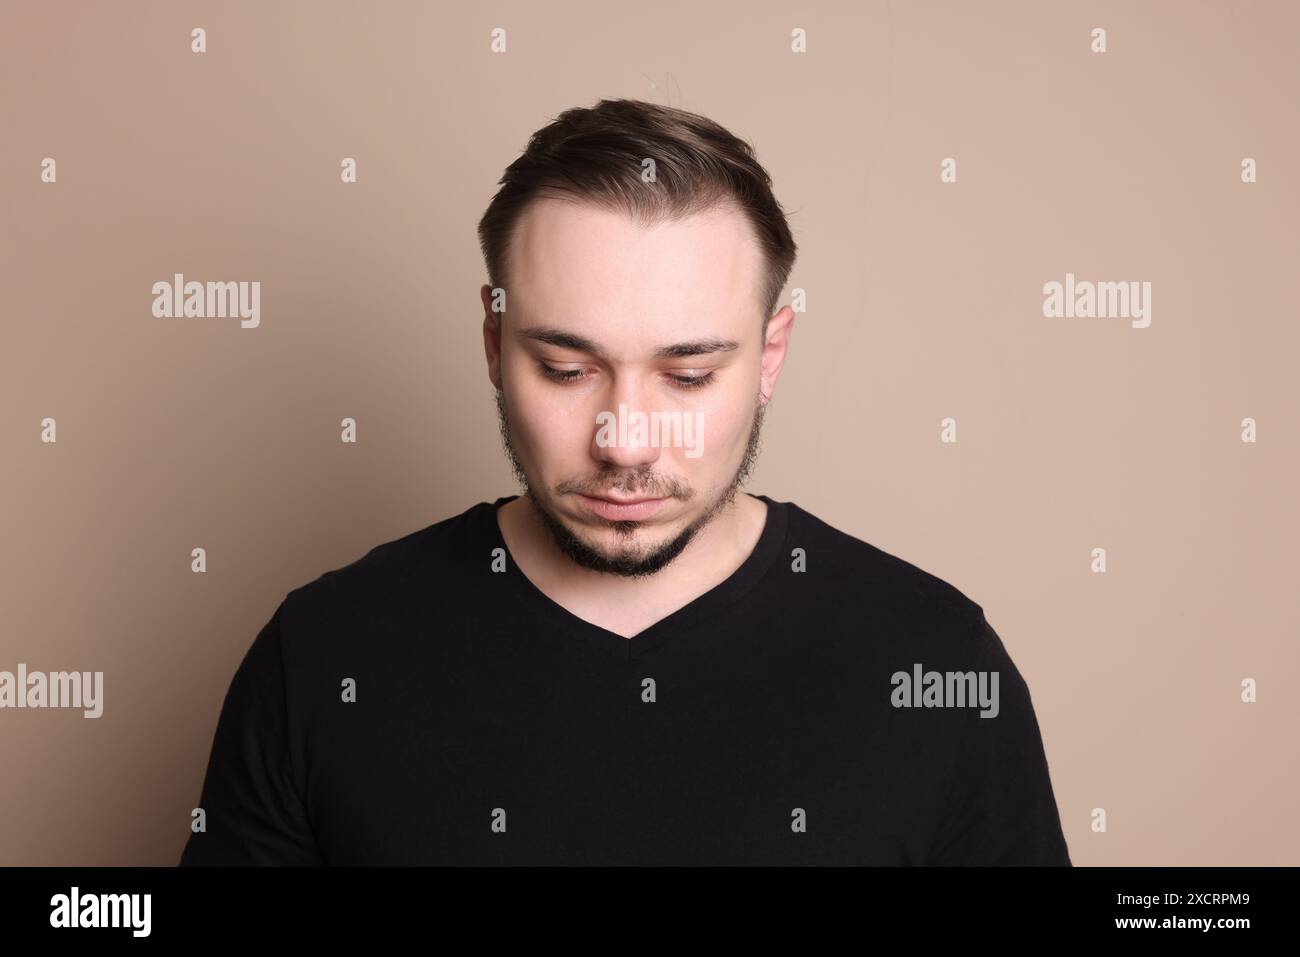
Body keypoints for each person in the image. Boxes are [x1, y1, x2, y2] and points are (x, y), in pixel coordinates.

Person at [180, 98, 1070, 866]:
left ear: (771, 355)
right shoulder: (325, 656)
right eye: (567, 369)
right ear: (494, 347)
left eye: (687, 376)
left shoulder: (938, 663)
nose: (626, 440)